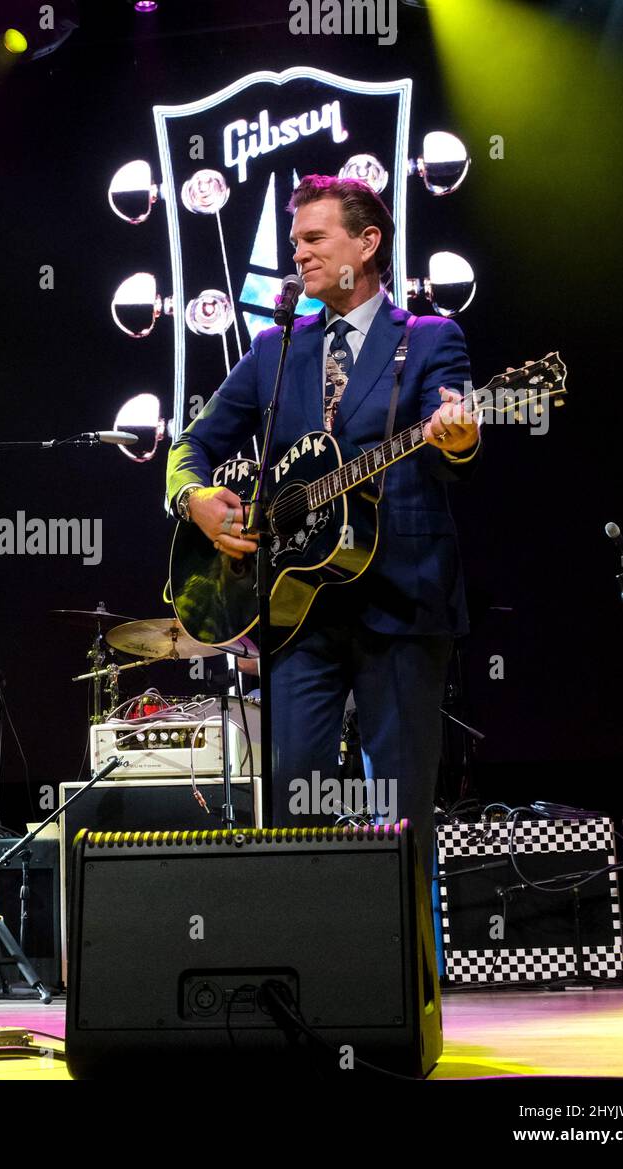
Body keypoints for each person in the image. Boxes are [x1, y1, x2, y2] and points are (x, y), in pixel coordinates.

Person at [167, 175, 480, 894]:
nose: (299, 254)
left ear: (367, 244)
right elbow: (192, 443)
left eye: (315, 239)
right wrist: (195, 499)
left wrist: (457, 439)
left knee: (400, 812)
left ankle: (405, 982)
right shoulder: (278, 347)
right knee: (293, 804)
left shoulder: (430, 339)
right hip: (295, 613)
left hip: (401, 601)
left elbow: (456, 451)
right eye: (295, 241)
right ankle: (304, 968)